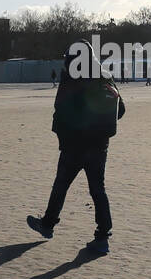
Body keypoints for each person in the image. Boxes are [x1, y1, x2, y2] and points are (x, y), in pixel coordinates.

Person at [27, 44, 126, 256]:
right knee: (98, 190)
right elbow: (121, 109)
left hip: (74, 145)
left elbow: (60, 108)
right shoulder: (104, 75)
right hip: (99, 146)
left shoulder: (71, 77)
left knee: (61, 185)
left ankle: (48, 224)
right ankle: (103, 237)